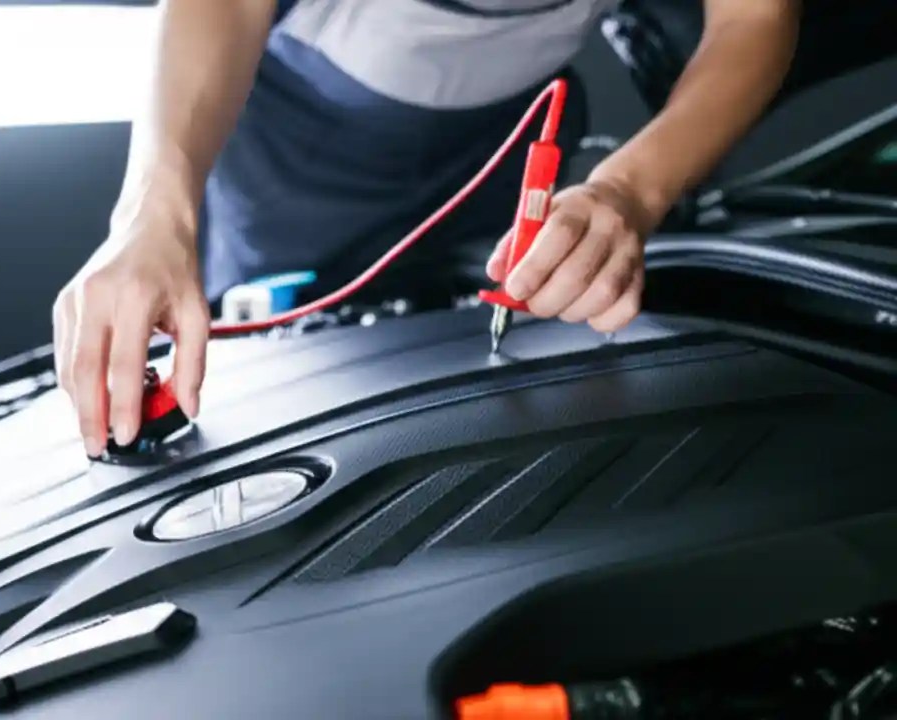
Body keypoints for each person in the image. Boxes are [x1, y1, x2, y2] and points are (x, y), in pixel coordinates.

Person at [53, 0, 801, 457]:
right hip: (304, 160)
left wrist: (630, 192)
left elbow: (754, 16)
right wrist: (151, 213)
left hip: (508, 148)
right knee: (291, 403)